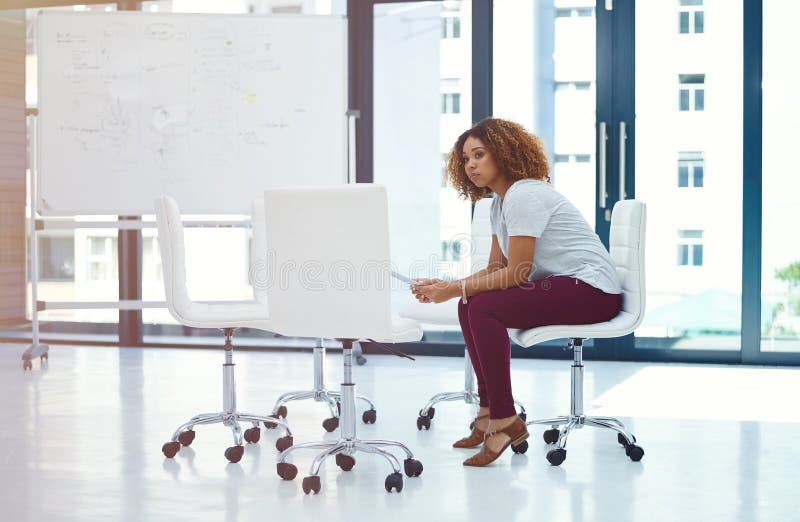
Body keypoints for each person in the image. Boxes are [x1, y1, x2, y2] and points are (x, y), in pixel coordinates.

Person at [411, 118, 622, 467]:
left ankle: (505, 420)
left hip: (593, 291)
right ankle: (487, 412)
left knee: (482, 308)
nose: (471, 165)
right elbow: (497, 270)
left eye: (479, 154)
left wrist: (453, 289)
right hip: (569, 286)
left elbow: (518, 271)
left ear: (504, 153)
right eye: (465, 159)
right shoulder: (500, 203)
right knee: (470, 303)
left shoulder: (524, 195)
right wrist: (448, 286)